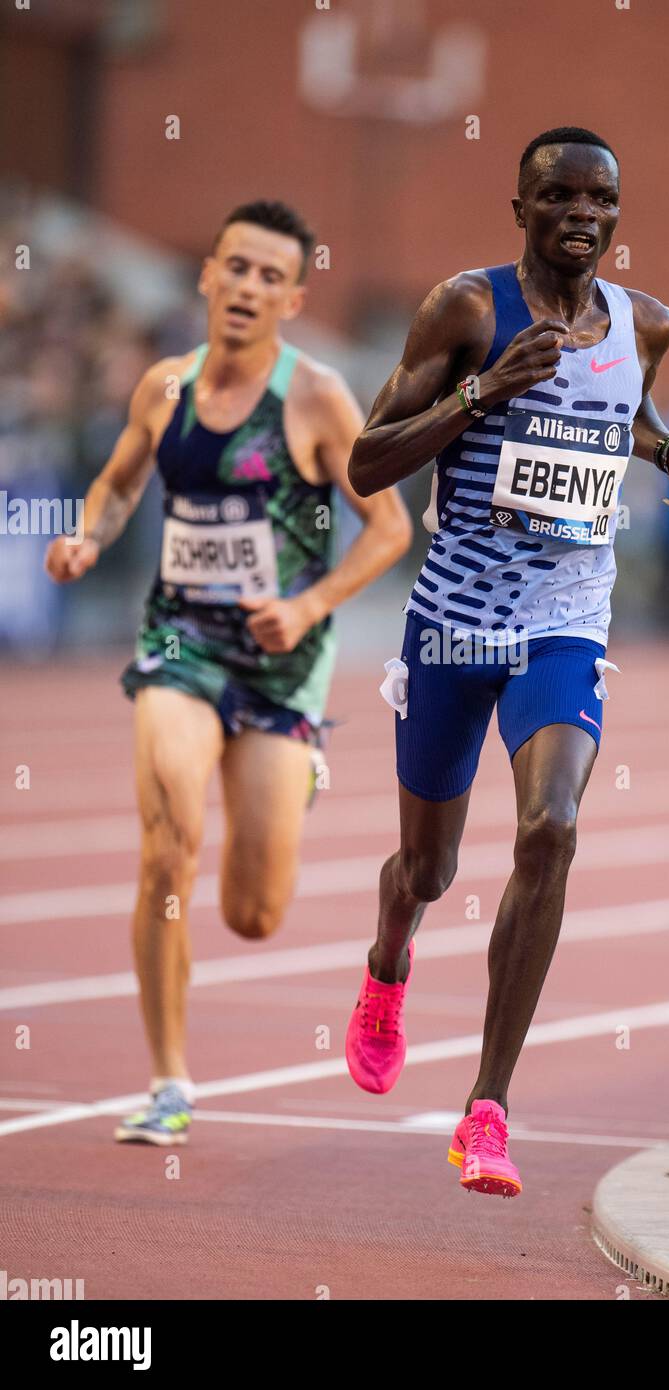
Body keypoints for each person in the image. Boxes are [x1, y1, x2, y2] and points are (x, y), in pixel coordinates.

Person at [345, 129, 669, 1196]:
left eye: (598, 197)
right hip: (454, 621)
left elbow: (625, 418)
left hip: (565, 617)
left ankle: (486, 1109)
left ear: (617, 210)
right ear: (517, 207)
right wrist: (479, 394)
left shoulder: (645, 323)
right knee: (429, 869)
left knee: (550, 829)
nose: (579, 213)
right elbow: (364, 463)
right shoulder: (465, 310)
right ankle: (388, 960)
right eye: (555, 194)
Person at [45, 200, 412, 1145]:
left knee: (253, 912)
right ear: (206, 276)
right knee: (167, 838)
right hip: (179, 642)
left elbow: (389, 528)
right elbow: (124, 478)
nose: (247, 288)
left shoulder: (318, 398)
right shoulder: (164, 387)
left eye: (268, 276)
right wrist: (89, 535)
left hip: (281, 664)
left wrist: (308, 606)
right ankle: (169, 1081)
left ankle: (297, 775)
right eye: (233, 268)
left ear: (293, 297)